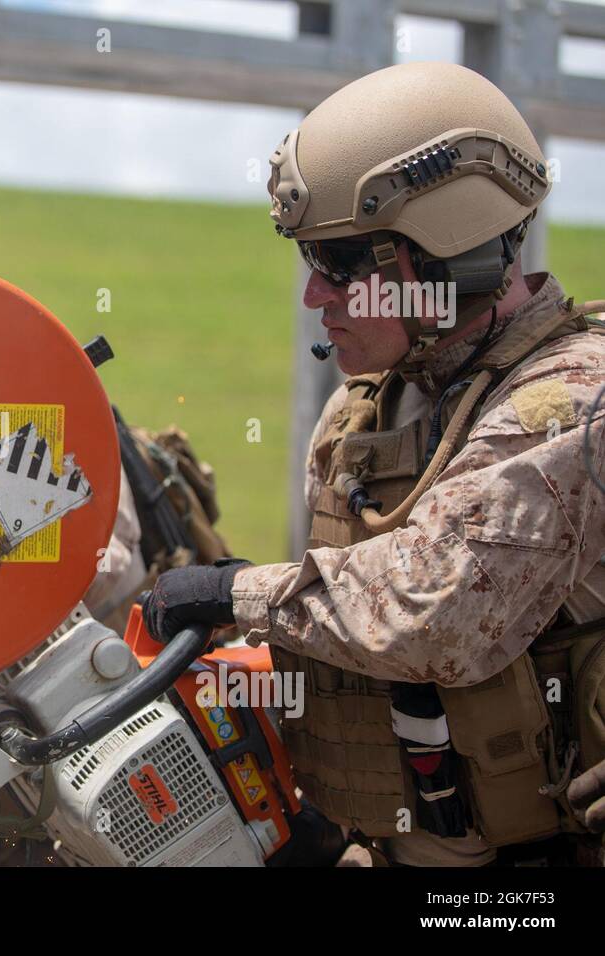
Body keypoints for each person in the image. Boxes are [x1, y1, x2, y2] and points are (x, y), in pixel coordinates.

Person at [141, 61, 605, 866]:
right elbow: (336, 617)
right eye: (312, 263)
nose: (315, 298)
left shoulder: (571, 403)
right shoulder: (367, 410)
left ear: (446, 258)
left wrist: (231, 592)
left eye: (346, 265)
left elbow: (432, 612)